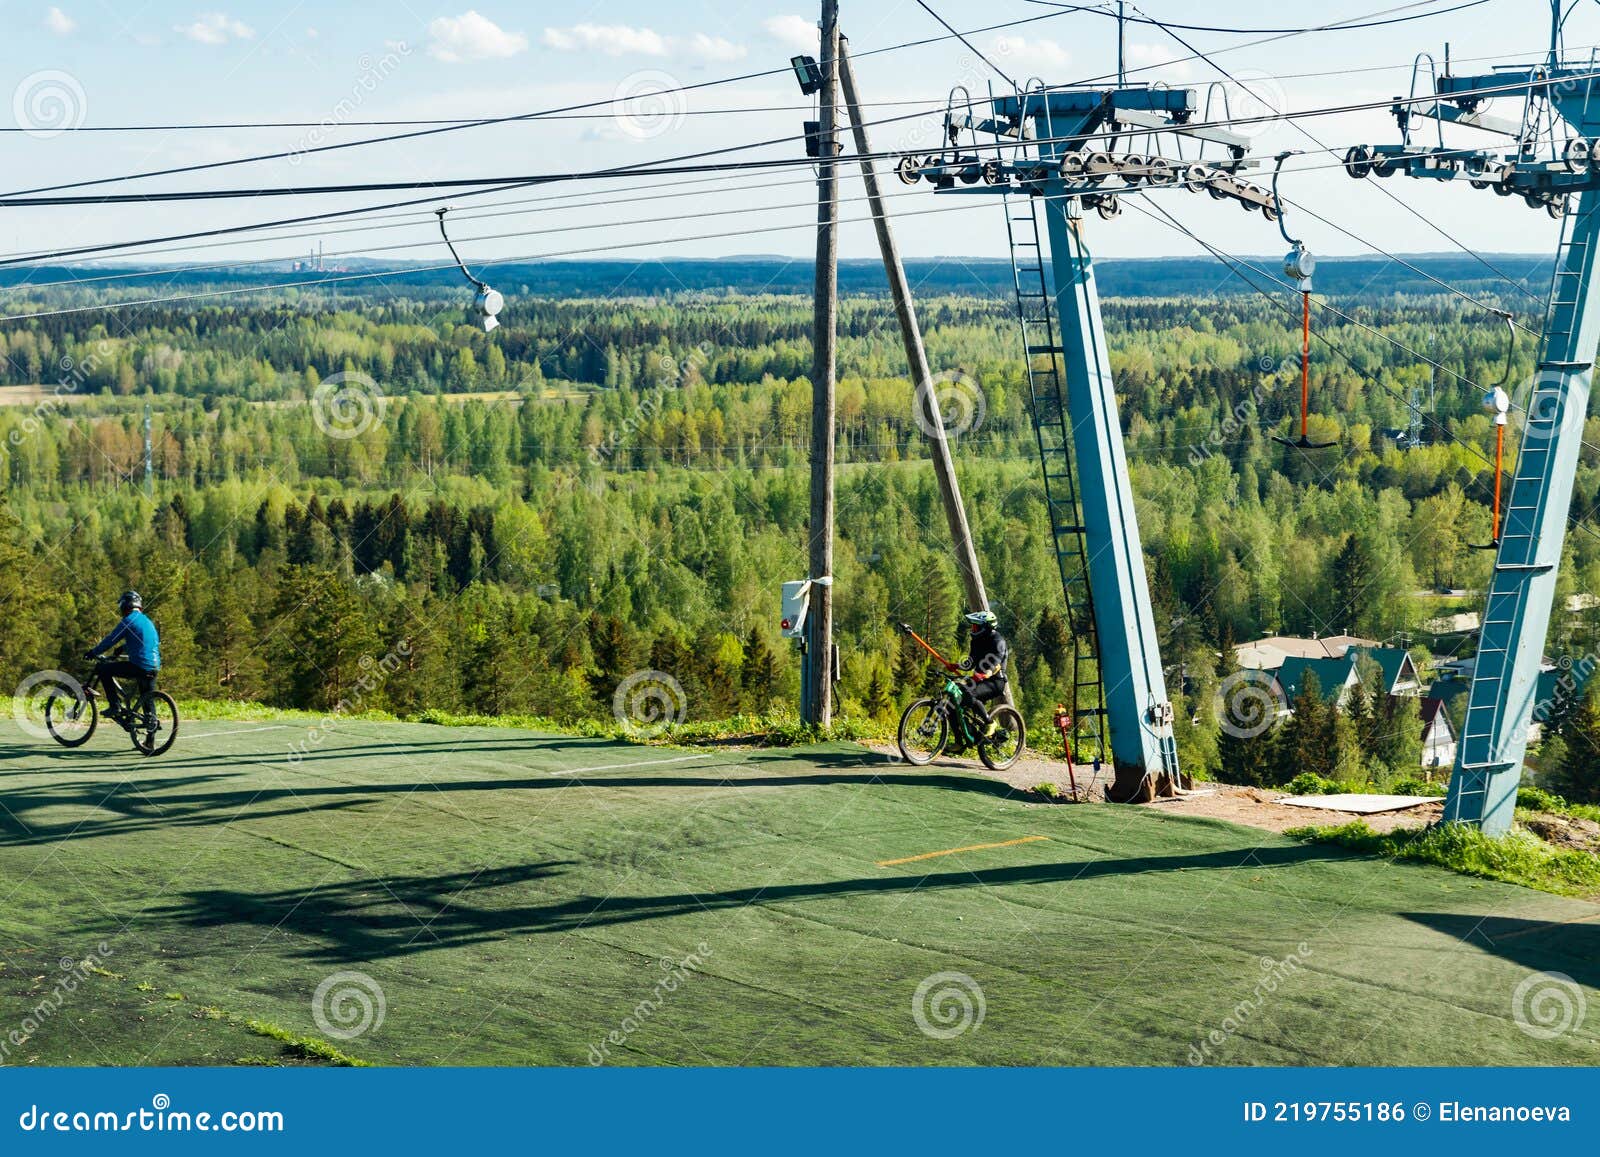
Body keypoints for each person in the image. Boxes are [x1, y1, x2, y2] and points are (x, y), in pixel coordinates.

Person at [86, 590, 161, 728]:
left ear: (124, 606)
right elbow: (143, 640)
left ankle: (115, 706)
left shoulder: (128, 620)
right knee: (147, 699)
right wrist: (123, 648)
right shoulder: (148, 621)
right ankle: (150, 741)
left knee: (104, 670)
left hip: (139, 665)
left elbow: (111, 639)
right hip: (154, 666)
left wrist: (93, 652)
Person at [959, 610, 1009, 736]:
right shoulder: (976, 641)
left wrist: (987, 673)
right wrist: (954, 665)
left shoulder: (998, 641)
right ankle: (961, 740)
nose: (973, 629)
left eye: (976, 626)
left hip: (995, 682)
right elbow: (970, 663)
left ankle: (989, 722)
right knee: (953, 701)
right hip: (978, 679)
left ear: (985, 627)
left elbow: (996, 664)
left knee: (969, 693)